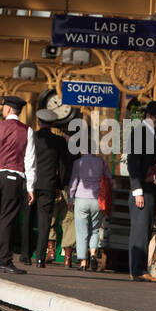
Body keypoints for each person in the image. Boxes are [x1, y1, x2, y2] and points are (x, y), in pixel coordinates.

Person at [0, 95, 36, 274]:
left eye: (4, 107)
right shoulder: (28, 131)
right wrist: (31, 187)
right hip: (14, 178)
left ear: (8, 109)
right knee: (7, 219)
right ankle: (3, 259)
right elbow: (30, 161)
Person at [126, 101, 156, 282]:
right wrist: (138, 190)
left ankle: (138, 268)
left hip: (150, 187)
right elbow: (133, 163)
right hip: (142, 189)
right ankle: (138, 269)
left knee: (145, 228)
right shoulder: (140, 133)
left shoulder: (150, 135)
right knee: (140, 230)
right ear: (150, 117)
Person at [23, 109, 71, 268]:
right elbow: (63, 167)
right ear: (53, 124)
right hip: (48, 185)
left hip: (30, 183)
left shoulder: (31, 138)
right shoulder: (59, 141)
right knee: (45, 222)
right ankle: (40, 258)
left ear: (38, 122)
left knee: (28, 219)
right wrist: (59, 184)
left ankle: (26, 255)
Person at [67, 134, 108, 272]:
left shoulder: (78, 163)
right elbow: (109, 180)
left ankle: (83, 262)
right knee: (95, 229)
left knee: (81, 231)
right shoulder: (102, 162)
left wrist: (70, 199)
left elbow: (73, 182)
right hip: (97, 200)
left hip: (81, 199)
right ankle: (92, 254)